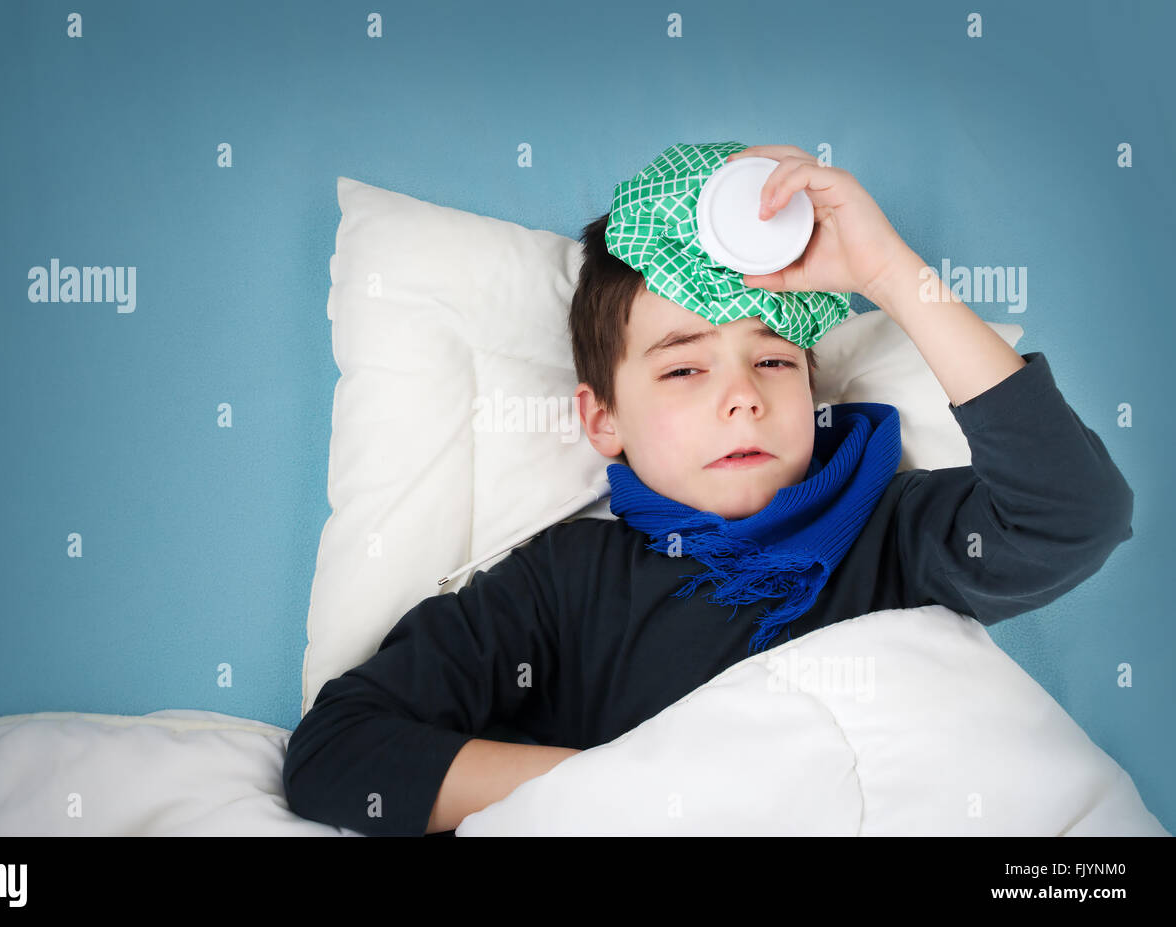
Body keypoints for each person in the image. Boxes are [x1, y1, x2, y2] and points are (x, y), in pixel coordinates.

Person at [282, 144, 1134, 837]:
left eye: (772, 360)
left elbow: (1073, 515)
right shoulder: (563, 586)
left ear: (811, 386)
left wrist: (887, 272)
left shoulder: (890, 533)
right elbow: (338, 754)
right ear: (604, 418)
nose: (742, 395)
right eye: (685, 366)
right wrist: (635, 786)